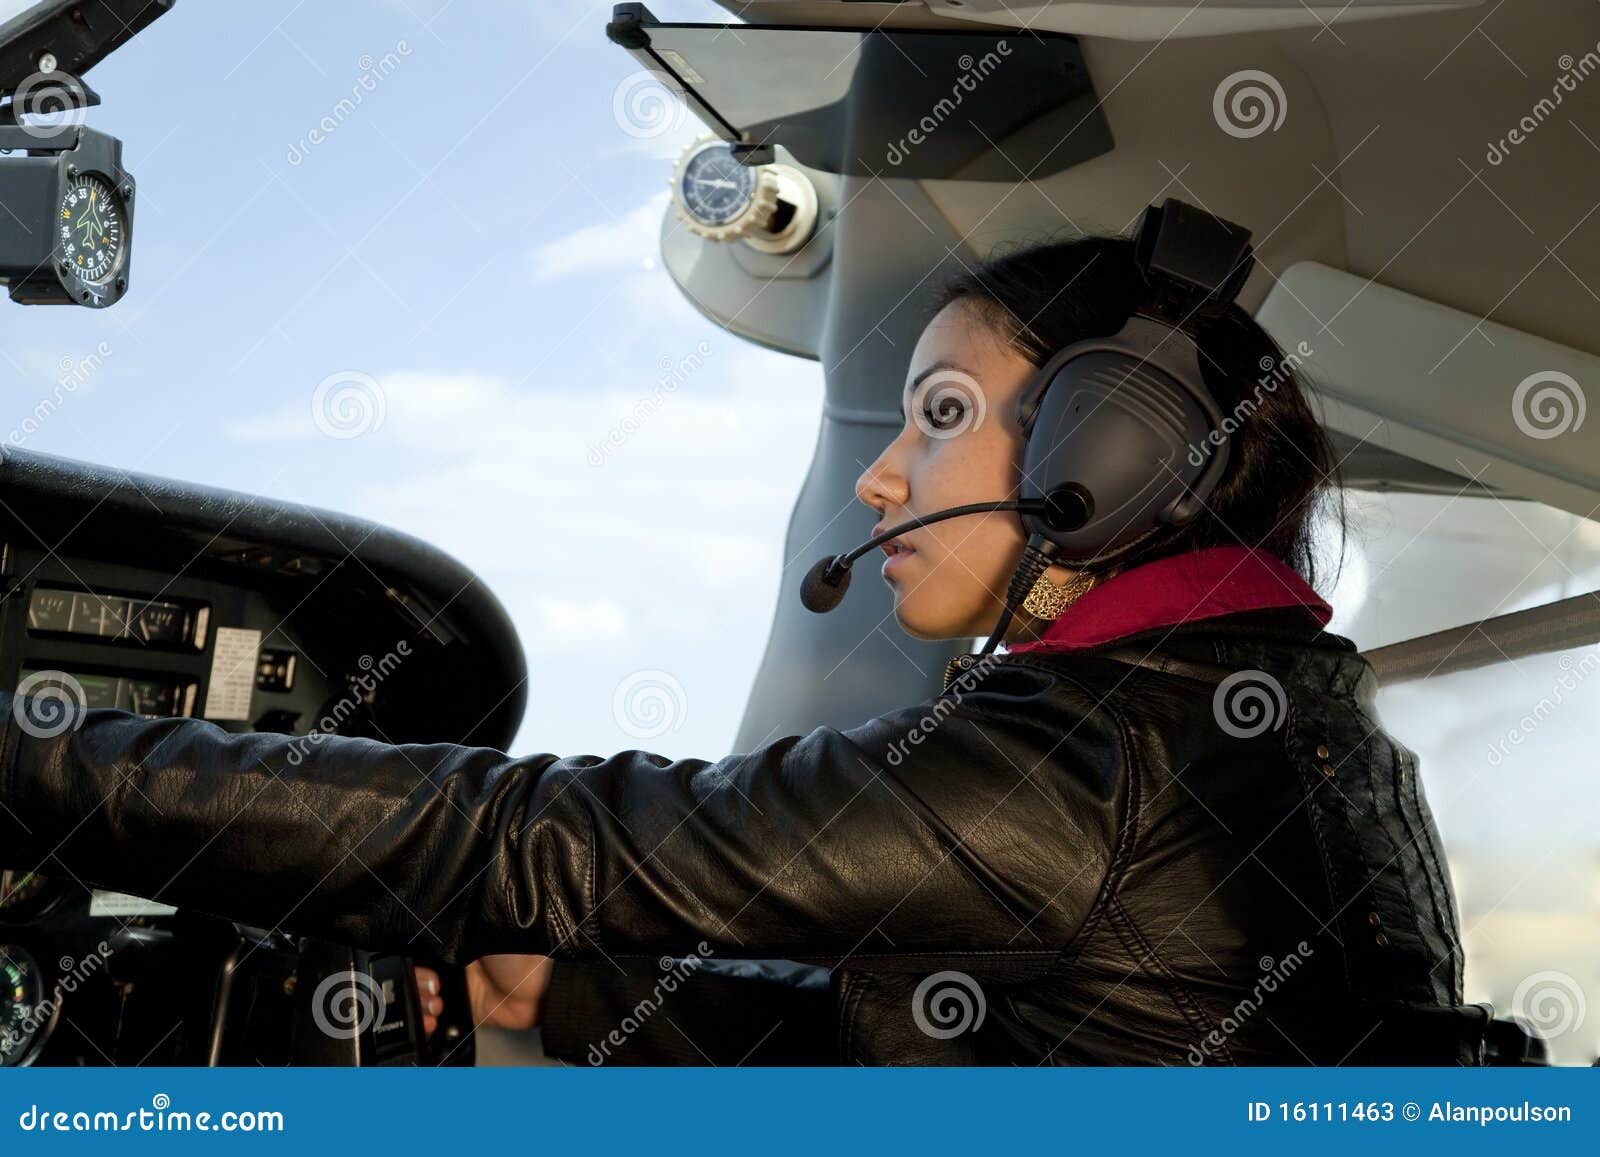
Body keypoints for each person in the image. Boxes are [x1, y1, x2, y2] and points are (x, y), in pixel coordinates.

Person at [0, 227, 1487, 1065]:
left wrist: (31, 756)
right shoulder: (1282, 726)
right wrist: (563, 989)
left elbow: (536, 840)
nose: (881, 475)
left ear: (1106, 444)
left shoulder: (1090, 766)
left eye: (942, 413)